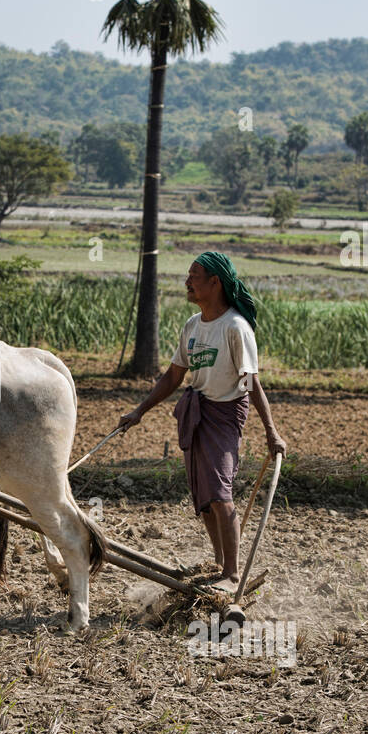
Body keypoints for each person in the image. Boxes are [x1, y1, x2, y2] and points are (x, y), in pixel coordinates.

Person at [117, 251, 286, 592]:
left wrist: (272, 431)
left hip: (224, 415)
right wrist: (140, 411)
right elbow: (174, 376)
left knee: (222, 495)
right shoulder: (192, 327)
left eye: (194, 275)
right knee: (206, 500)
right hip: (195, 412)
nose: (187, 281)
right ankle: (220, 565)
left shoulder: (236, 328)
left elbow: (251, 382)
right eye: (188, 275)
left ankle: (233, 575)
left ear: (215, 282)